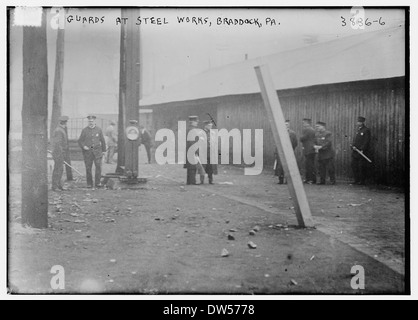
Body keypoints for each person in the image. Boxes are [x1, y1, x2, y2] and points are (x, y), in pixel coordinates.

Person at [78, 114, 106, 188]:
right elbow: (80, 141)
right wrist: (84, 146)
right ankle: (89, 183)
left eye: (92, 121)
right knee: (88, 168)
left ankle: (98, 182)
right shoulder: (85, 130)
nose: (91, 122)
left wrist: (104, 151)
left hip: (97, 152)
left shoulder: (98, 129)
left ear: (94, 121)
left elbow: (102, 140)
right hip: (88, 152)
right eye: (89, 121)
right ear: (88, 122)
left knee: (98, 167)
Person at [274, 120, 298, 184]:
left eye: (287, 124)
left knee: (289, 166)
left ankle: (288, 180)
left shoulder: (292, 133)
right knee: (280, 166)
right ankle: (280, 180)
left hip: (289, 152)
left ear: (289, 125)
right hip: (281, 152)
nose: (285, 126)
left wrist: (290, 150)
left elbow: (295, 143)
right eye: (284, 124)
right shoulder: (279, 133)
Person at [351, 116, 371, 185]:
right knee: (354, 166)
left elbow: (366, 141)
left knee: (361, 167)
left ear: (362, 122)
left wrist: (362, 149)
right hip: (355, 151)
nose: (358, 123)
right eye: (357, 121)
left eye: (359, 122)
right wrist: (353, 146)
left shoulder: (366, 130)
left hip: (361, 152)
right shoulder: (358, 130)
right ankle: (356, 180)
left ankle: (362, 181)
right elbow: (355, 140)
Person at [51, 116, 70, 191]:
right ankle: (55, 186)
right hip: (58, 153)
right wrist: (61, 153)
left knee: (60, 169)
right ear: (64, 123)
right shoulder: (59, 131)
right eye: (65, 122)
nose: (66, 124)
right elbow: (58, 144)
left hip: (60, 153)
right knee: (58, 169)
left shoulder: (60, 130)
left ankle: (59, 185)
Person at [184, 115, 200, 185]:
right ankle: (192, 181)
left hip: (189, 149)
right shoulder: (192, 130)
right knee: (192, 166)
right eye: (196, 121)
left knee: (190, 167)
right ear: (192, 122)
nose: (197, 123)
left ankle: (189, 181)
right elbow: (192, 141)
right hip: (192, 150)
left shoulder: (189, 129)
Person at [299, 118, 316, 184]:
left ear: (307, 123)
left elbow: (303, 138)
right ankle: (311, 179)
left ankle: (310, 179)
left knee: (309, 165)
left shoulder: (307, 129)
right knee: (310, 165)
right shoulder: (312, 130)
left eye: (304, 123)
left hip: (308, 149)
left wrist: (301, 138)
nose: (303, 124)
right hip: (311, 149)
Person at [201, 120, 218, 184]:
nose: (210, 127)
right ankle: (202, 180)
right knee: (203, 166)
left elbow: (215, 142)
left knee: (210, 167)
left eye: (211, 125)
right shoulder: (201, 133)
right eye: (209, 125)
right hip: (203, 152)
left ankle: (210, 180)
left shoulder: (213, 133)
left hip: (211, 152)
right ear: (206, 126)